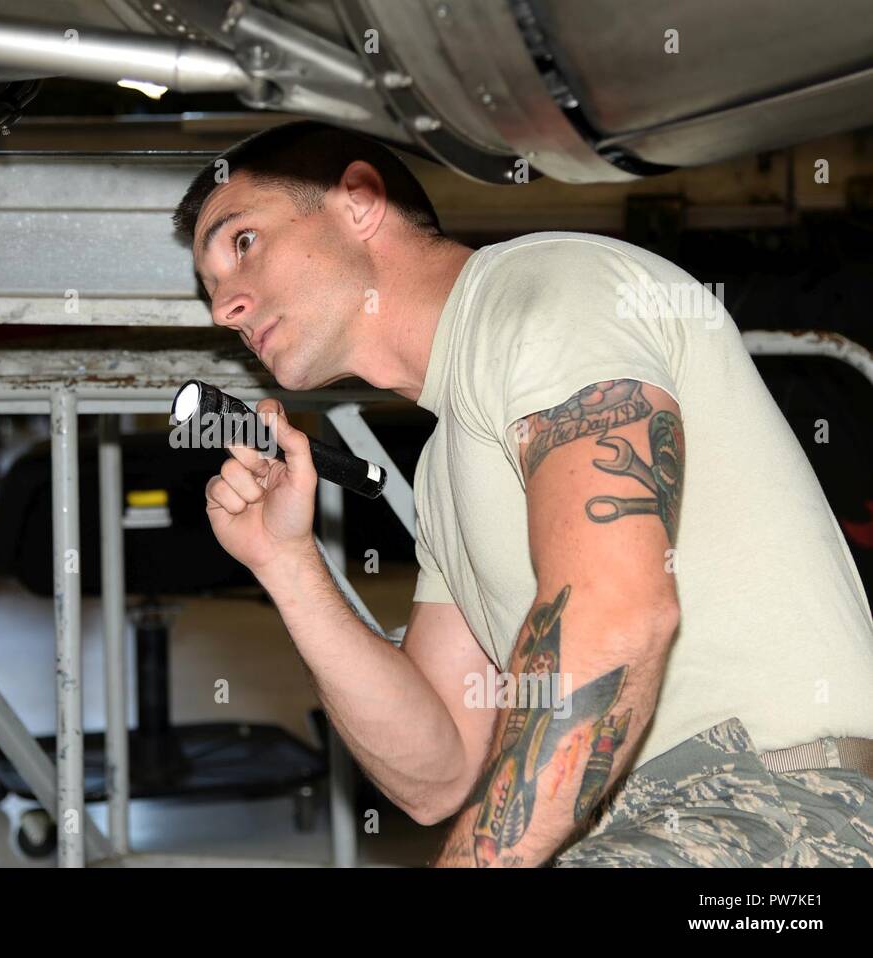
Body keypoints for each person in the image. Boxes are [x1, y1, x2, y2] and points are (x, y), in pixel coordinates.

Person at [171, 120, 873, 867]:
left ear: (359, 200)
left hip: (778, 811)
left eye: (241, 242)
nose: (225, 308)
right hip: (637, 832)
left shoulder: (547, 292)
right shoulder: (449, 463)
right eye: (210, 288)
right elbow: (439, 772)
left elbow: (616, 610)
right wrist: (287, 562)